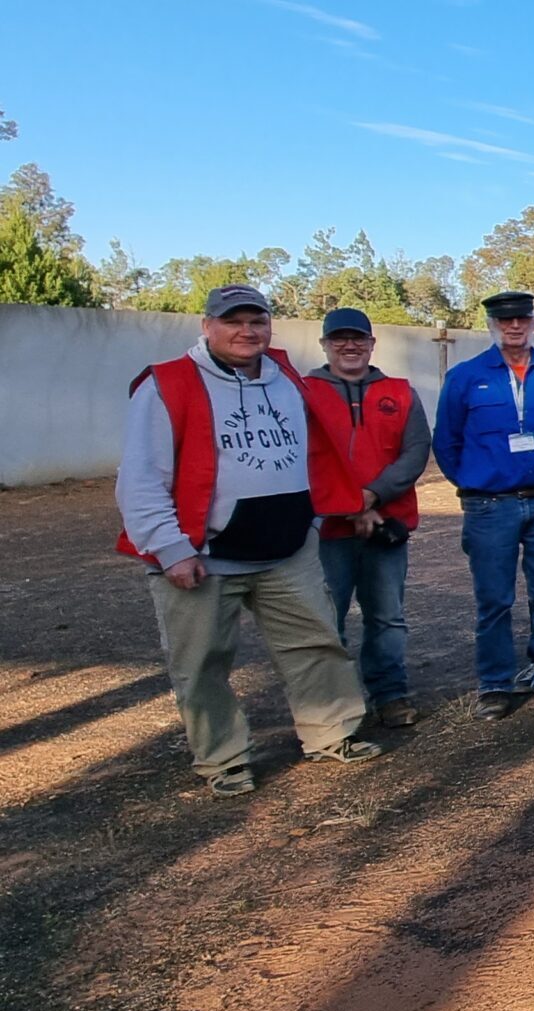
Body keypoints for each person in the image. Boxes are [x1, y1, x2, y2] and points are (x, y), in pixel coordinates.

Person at [116, 285, 381, 795]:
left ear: (269, 325)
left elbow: (312, 458)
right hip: (204, 555)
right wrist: (171, 549)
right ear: (208, 325)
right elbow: (141, 478)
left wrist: (310, 521)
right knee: (202, 663)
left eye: (256, 320)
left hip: (287, 550)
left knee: (316, 643)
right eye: (233, 321)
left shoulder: (285, 378)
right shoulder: (167, 386)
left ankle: (332, 733)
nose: (247, 331)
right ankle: (223, 760)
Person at [433, 290, 534, 719]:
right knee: (494, 599)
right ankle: (495, 683)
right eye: (504, 320)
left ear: (533, 322)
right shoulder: (466, 376)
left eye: (521, 319)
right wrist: (473, 484)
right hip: (490, 505)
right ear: (491, 324)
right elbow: (447, 441)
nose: (513, 326)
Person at [303, 306, 432, 727]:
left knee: (388, 617)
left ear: (372, 344)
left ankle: (390, 695)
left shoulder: (400, 392)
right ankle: (337, 705)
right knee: (327, 620)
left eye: (358, 338)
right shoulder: (302, 393)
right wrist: (348, 504)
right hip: (327, 530)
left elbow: (415, 453)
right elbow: (301, 460)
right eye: (339, 338)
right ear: (324, 344)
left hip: (385, 527)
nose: (350, 345)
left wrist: (372, 496)